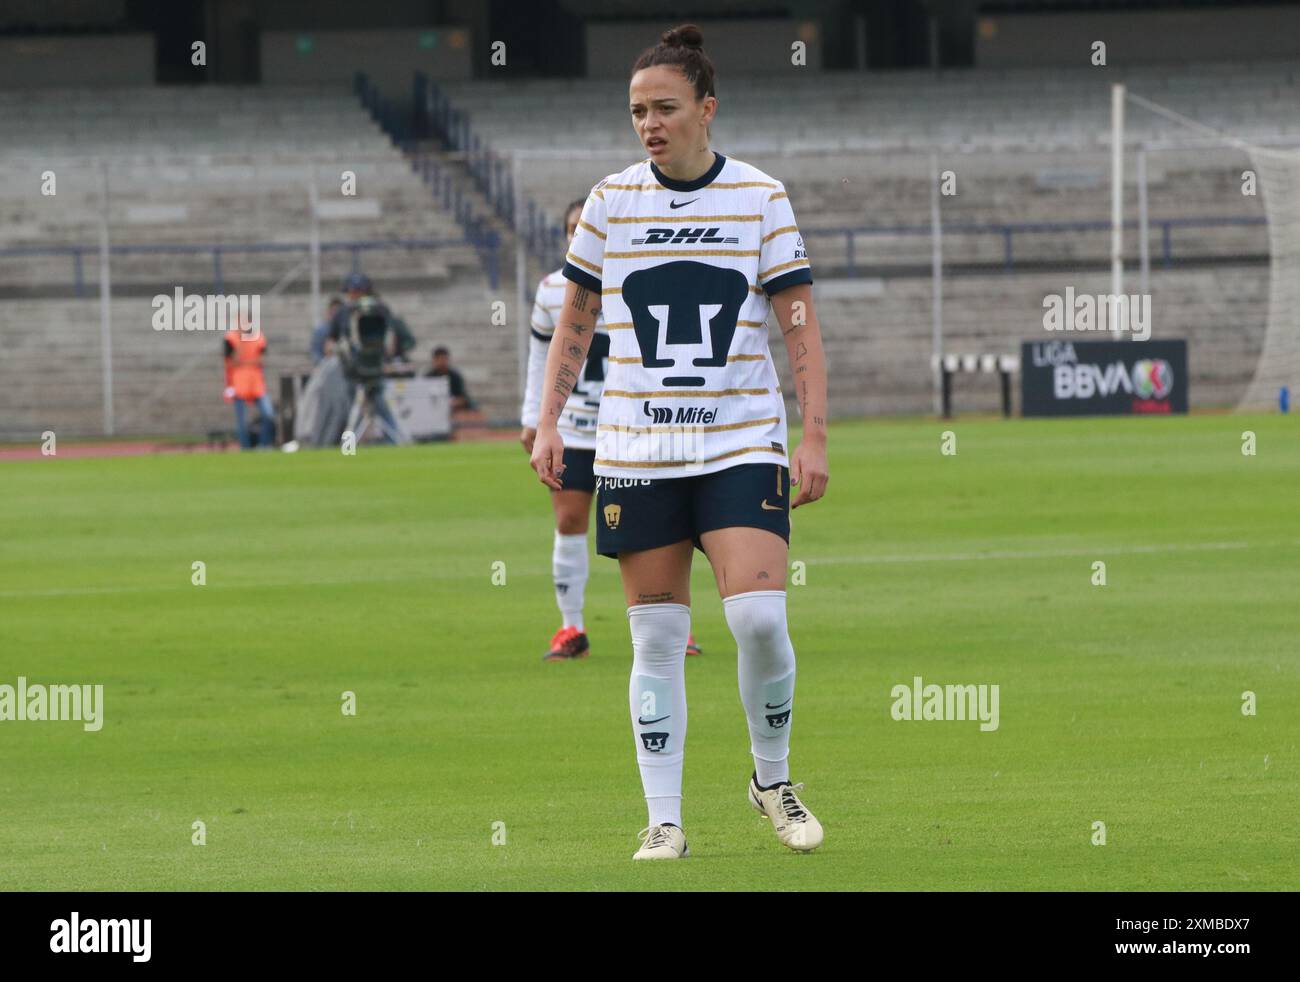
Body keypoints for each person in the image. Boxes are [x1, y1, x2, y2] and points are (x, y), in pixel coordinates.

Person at [529, 24, 829, 860]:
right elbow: (576, 320)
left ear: (707, 108)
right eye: (636, 112)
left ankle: (771, 778)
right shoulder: (610, 203)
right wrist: (550, 421)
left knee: (761, 619)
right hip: (636, 451)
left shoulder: (762, 198)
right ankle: (664, 819)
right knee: (656, 639)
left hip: (741, 444)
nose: (649, 124)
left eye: (665, 107)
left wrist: (813, 436)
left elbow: (799, 322)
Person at [521, 200, 703, 662]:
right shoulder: (550, 291)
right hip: (578, 428)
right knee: (568, 521)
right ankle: (571, 627)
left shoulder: (635, 280)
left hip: (634, 425)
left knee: (667, 524)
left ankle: (677, 625)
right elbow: (540, 356)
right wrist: (534, 418)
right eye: (569, 228)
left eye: (583, 226)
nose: (576, 235)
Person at [329, 273, 410, 444]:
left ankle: (393, 440)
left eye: (359, 291)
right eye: (353, 291)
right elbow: (331, 342)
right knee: (353, 407)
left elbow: (390, 339)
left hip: (373, 366)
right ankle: (351, 443)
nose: (356, 295)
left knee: (378, 404)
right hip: (353, 369)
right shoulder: (344, 313)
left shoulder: (380, 309)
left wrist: (386, 357)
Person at [223, 323, 274, 449]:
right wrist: (241, 342)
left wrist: (244, 361)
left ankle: (264, 445)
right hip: (239, 384)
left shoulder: (258, 337)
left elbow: (261, 359)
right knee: (241, 421)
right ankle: (245, 448)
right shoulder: (231, 338)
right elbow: (232, 360)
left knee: (268, 414)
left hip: (256, 384)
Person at [424, 346, 472, 411]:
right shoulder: (428, 376)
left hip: (453, 408)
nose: (442, 362)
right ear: (434, 360)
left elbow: (463, 398)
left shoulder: (455, 376)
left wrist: (450, 403)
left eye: (444, 359)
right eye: (439, 359)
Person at [310, 298, 343, 364]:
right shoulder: (320, 330)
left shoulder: (343, 329)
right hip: (326, 366)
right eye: (334, 311)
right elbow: (315, 354)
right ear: (329, 311)